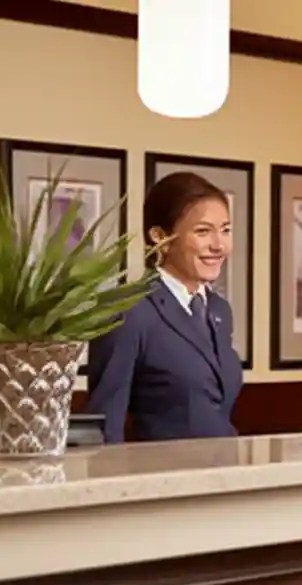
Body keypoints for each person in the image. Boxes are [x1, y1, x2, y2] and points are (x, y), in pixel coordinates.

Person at [86, 171, 245, 443]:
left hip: (225, 475)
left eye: (226, 230)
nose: (219, 245)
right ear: (160, 236)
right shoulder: (127, 309)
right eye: (203, 231)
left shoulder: (219, 310)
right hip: (164, 478)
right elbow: (105, 426)